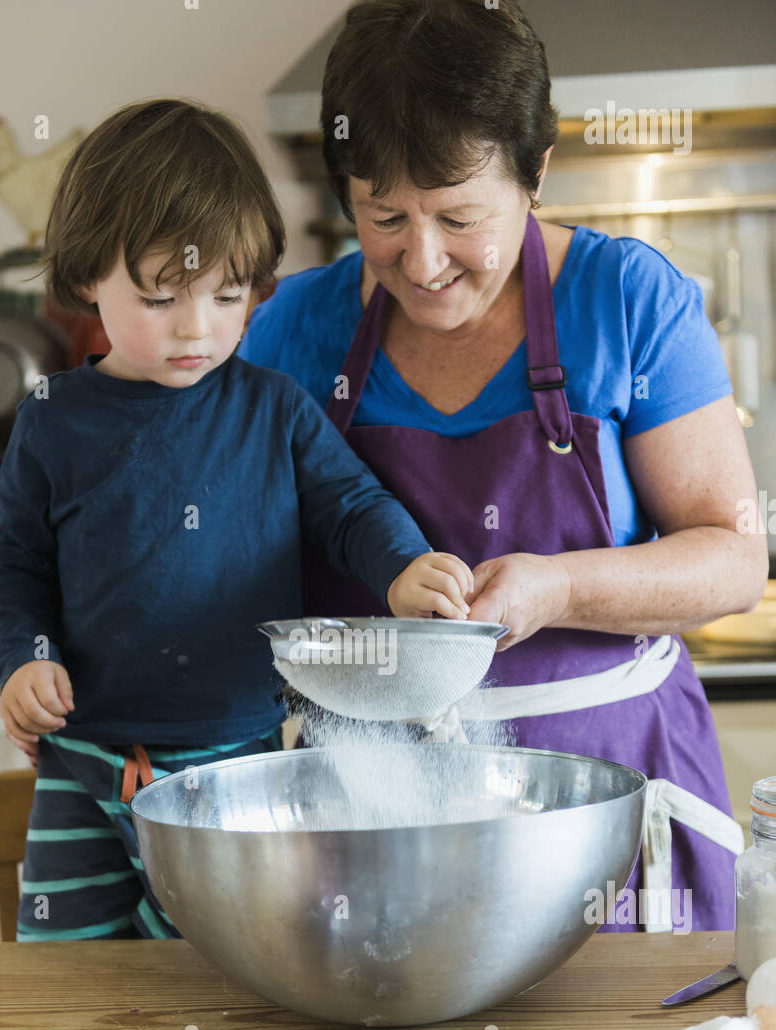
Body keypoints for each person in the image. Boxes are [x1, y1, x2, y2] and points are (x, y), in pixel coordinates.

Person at [239, 0, 769, 933]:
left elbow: (731, 557)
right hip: (380, 810)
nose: (424, 258)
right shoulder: (293, 327)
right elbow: (236, 562)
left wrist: (555, 590)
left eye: (458, 216)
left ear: (536, 176)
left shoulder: (627, 300)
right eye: (385, 216)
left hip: (612, 804)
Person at [0, 98, 473, 942]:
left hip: (235, 766)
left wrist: (399, 567)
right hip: (80, 765)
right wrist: (23, 662)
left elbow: (349, 506)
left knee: (220, 972)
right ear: (86, 275)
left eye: (227, 297)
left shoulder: (273, 408)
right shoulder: (52, 418)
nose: (195, 330)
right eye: (159, 297)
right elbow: (13, 565)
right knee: (63, 978)